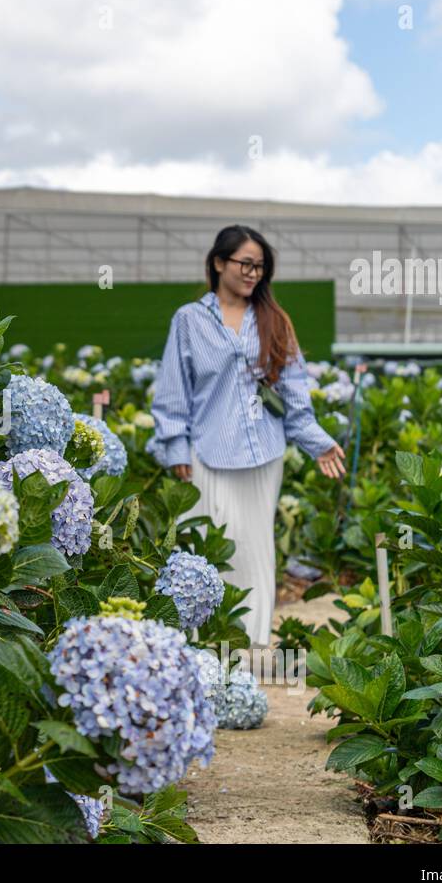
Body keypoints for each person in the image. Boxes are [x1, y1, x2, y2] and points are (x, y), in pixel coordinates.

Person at [146, 225, 345, 647]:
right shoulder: (189, 320)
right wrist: (175, 446)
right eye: (246, 264)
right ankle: (205, 638)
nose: (254, 274)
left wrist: (317, 441)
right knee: (209, 544)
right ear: (219, 263)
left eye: (261, 267)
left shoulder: (276, 321)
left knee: (254, 547)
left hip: (263, 453)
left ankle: (250, 642)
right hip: (207, 453)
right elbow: (172, 391)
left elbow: (293, 394)